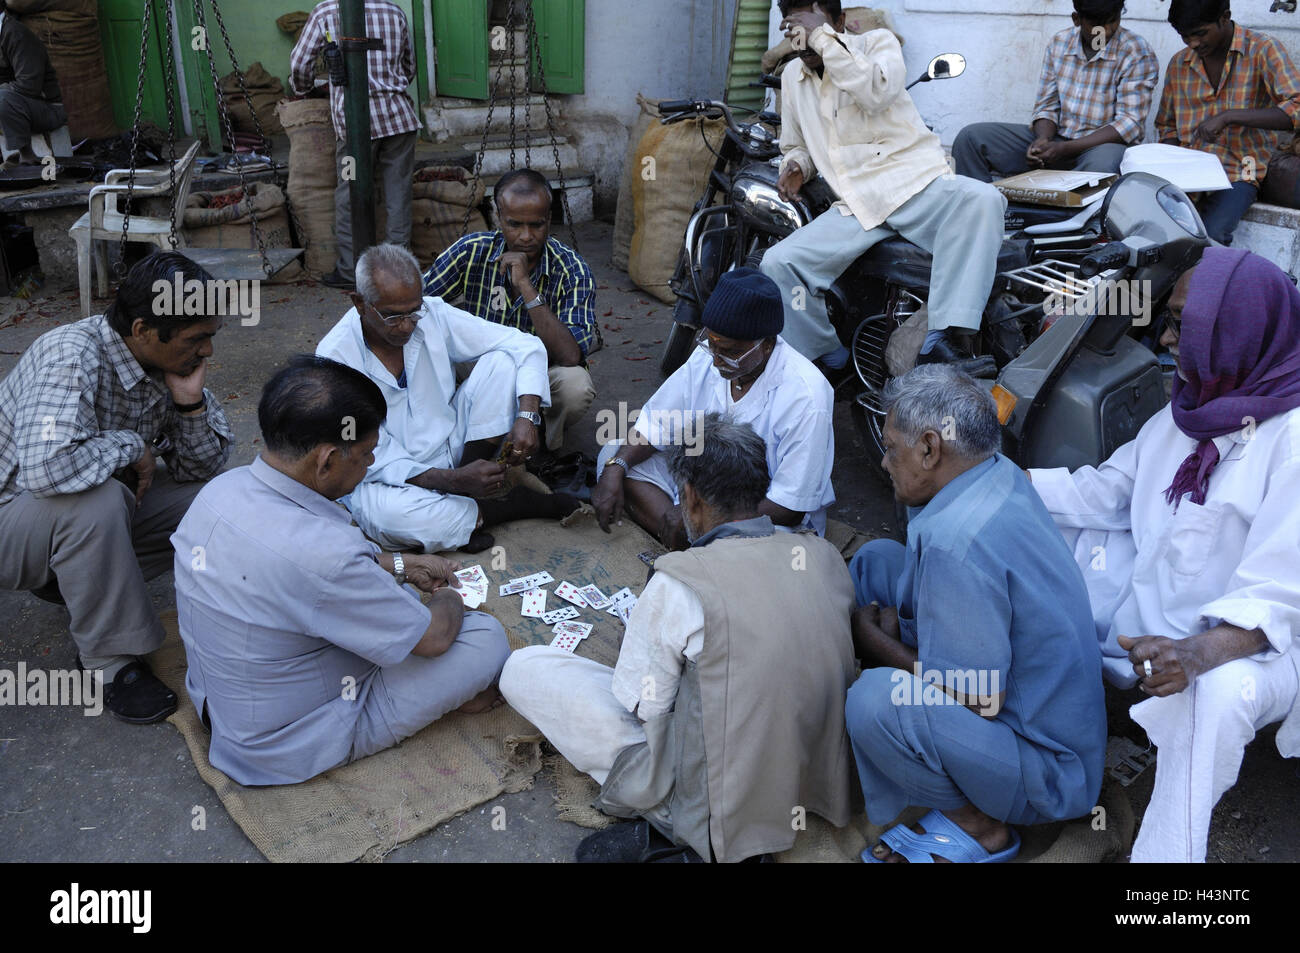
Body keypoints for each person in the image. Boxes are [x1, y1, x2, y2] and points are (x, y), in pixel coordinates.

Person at [1027, 248, 1300, 863]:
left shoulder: (1291, 443)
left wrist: (1197, 654)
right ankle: (1061, 732)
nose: (1167, 337)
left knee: (1219, 694)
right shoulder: (1188, 410)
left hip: (1259, 641)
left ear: (1234, 336)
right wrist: (998, 482)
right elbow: (1109, 491)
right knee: (1049, 537)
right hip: (1172, 610)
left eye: (1183, 325)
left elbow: (1277, 599)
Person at [501, 413, 857, 863]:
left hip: (721, 803)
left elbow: (642, 706)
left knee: (526, 668)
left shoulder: (680, 581)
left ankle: (683, 826)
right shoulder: (822, 555)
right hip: (815, 781)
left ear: (690, 500)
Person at [171, 356, 509, 786]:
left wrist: (401, 564)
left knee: (382, 609)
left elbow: (294, 574)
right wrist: (448, 596)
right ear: (327, 460)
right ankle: (459, 694)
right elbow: (434, 639)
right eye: (367, 454)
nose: (370, 465)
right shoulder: (325, 555)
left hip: (219, 705)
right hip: (285, 743)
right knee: (483, 637)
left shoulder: (219, 491)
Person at [845, 364, 1105, 863]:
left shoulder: (954, 544)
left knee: (873, 700)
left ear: (928, 448)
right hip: (1048, 711)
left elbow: (981, 698)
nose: (883, 463)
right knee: (878, 560)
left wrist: (880, 648)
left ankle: (981, 825)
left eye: (890, 447)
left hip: (1047, 769)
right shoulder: (995, 470)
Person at [0, 251, 232, 723]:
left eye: (210, 337)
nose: (207, 351)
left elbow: (199, 469)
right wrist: (131, 446)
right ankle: (107, 662)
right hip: (14, 526)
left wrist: (189, 406)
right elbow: (46, 471)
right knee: (95, 499)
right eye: (197, 339)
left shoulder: (165, 364)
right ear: (143, 331)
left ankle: (86, 584)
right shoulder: (69, 356)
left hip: (82, 527)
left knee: (226, 496)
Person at [760, 0, 1007, 372]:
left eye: (813, 29)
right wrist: (797, 165)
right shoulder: (793, 78)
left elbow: (875, 92)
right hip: (855, 204)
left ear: (839, 22)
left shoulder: (877, 44)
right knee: (778, 262)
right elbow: (797, 144)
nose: (805, 43)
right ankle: (828, 354)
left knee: (984, 199)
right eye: (796, 32)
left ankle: (940, 339)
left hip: (913, 185)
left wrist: (824, 38)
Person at [316, 243, 579, 555]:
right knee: (388, 518)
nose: (406, 326)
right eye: (392, 316)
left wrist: (527, 416)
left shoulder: (433, 314)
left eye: (413, 312)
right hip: (385, 476)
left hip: (452, 446)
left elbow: (524, 344)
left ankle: (469, 503)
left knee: (504, 362)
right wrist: (454, 481)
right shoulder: (334, 357)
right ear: (360, 303)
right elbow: (370, 455)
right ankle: (505, 507)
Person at [592, 268, 834, 550]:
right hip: (698, 492)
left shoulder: (807, 396)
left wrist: (709, 521)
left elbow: (789, 505)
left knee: (773, 545)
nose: (717, 360)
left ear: (767, 345)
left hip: (758, 512)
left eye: (730, 352)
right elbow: (657, 424)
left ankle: (691, 537)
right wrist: (615, 468)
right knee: (613, 455)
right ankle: (688, 536)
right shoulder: (709, 355)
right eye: (712, 345)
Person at [423, 169, 598, 455]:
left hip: (542, 373)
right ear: (498, 217)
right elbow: (416, 302)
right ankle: (447, 432)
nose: (526, 236)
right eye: (515, 224)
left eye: (537, 225)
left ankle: (534, 443)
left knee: (575, 387)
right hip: (479, 367)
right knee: (428, 348)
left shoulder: (572, 270)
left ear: (549, 219)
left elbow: (570, 356)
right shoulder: (471, 251)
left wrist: (527, 289)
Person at [289, 0, 419, 290]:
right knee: (398, 196)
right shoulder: (395, 11)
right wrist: (388, 85)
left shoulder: (326, 11)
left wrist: (302, 88)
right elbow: (409, 66)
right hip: (399, 120)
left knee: (348, 193)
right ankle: (397, 273)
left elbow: (300, 64)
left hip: (354, 126)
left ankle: (350, 270)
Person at [952, 0, 1158, 182]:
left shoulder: (1136, 51)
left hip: (1099, 149)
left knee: (1103, 166)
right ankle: (981, 207)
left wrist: (1067, 149)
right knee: (971, 138)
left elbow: (1129, 124)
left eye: (1113, 21)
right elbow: (1047, 106)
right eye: (1097, 24)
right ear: (1077, 19)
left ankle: (1077, 224)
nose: (1107, 30)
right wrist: (1042, 141)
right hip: (1057, 141)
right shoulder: (1059, 43)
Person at [1154, 0, 1300, 245]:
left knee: (1212, 236)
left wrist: (1230, 116)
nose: (1193, 44)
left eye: (1200, 34)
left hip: (1241, 170)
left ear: (1225, 17)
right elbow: (1166, 124)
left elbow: (1296, 107)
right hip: (1188, 174)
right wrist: (1172, 165)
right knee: (1159, 234)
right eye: (1185, 37)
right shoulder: (1180, 63)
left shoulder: (1263, 49)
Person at [0, 0, 66, 166]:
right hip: (18, 104)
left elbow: (29, 86)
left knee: (3, 98)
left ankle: (26, 156)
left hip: (46, 108)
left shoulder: (16, 34)